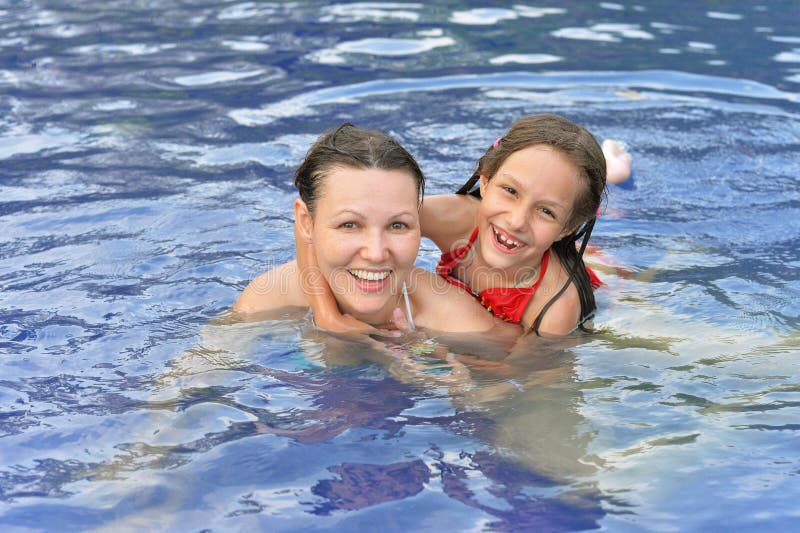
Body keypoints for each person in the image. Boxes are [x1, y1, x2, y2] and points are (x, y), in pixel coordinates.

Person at [303, 114, 631, 337]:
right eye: (510, 191)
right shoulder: (457, 219)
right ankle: (606, 173)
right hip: (542, 244)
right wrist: (327, 316)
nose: (515, 220)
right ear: (485, 181)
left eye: (545, 211)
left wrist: (415, 347)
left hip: (605, 276)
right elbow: (318, 224)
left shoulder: (553, 306)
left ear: (567, 227)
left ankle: (613, 173)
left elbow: (515, 375)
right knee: (563, 191)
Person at [233, 123, 519, 339]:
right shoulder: (267, 300)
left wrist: (426, 358)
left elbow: (518, 370)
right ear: (307, 223)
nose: (376, 253)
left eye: (397, 225)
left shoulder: (455, 320)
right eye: (349, 225)